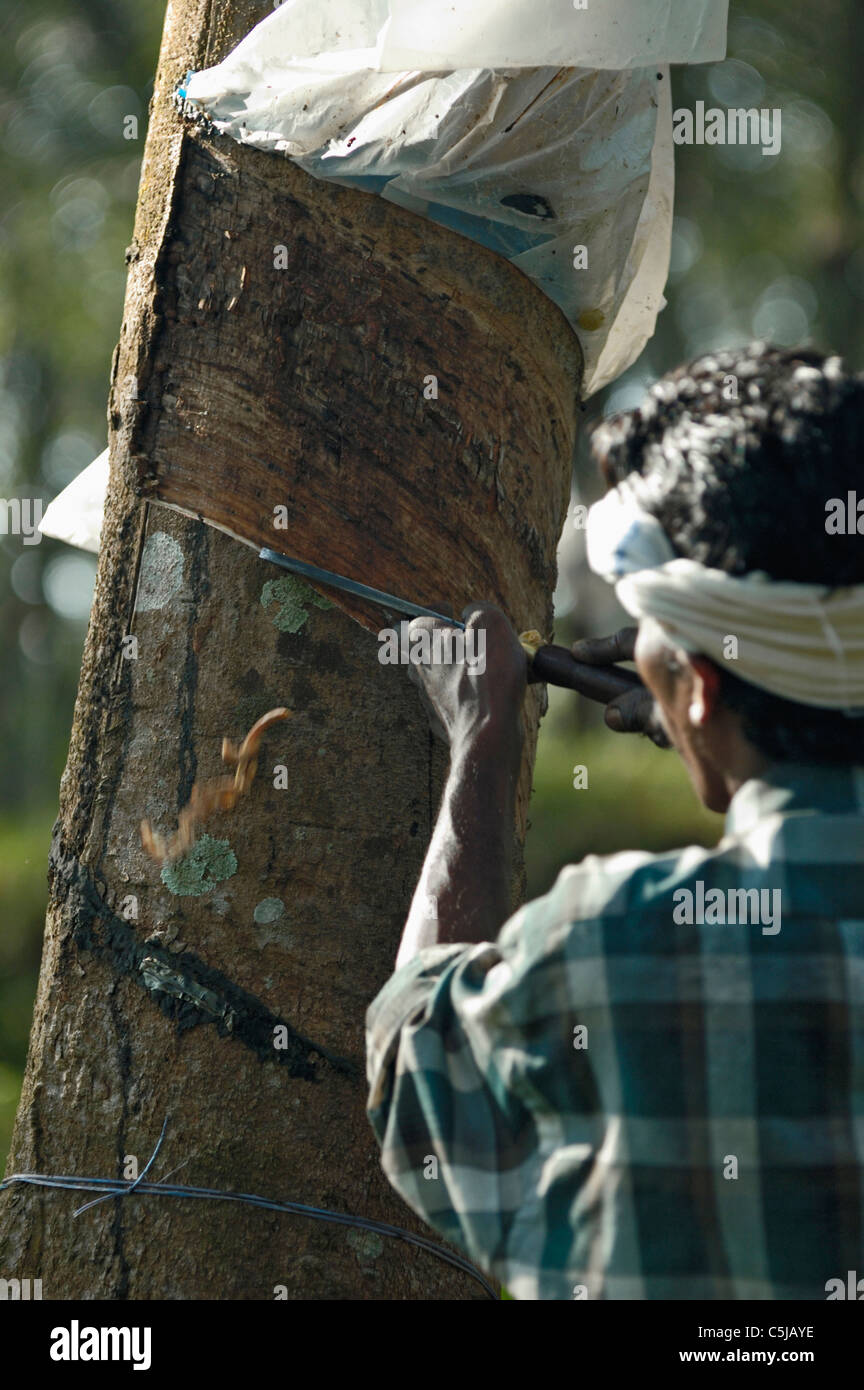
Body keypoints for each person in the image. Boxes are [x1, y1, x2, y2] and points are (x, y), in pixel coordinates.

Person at [364, 342, 864, 1300]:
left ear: (701, 685)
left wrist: (482, 742)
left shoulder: (622, 943)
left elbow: (420, 1068)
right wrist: (714, 724)